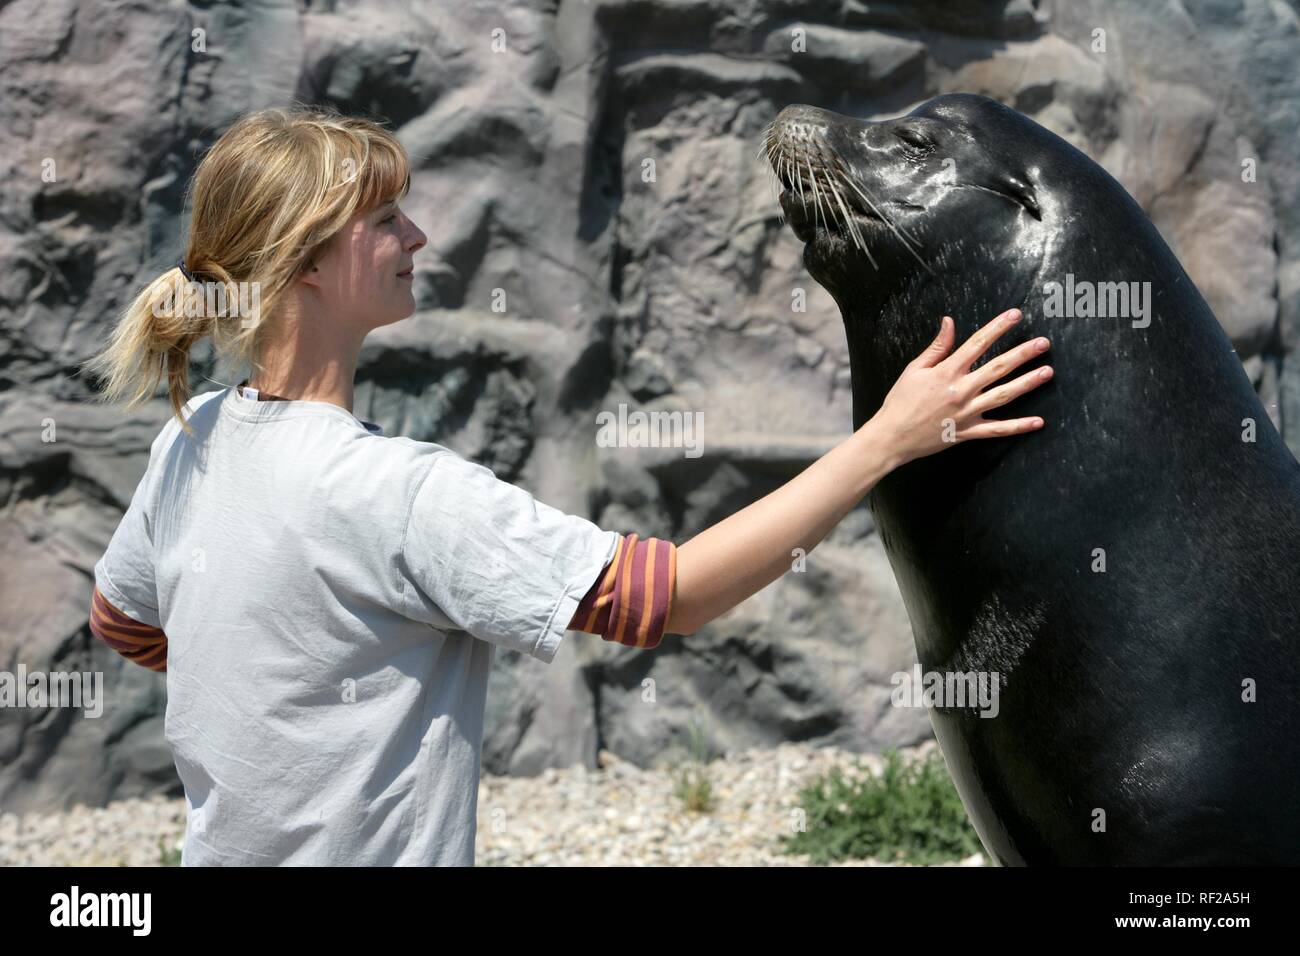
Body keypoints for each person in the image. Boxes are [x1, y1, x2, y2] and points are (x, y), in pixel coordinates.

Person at [81, 105, 1053, 865]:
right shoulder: (395, 491)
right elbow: (666, 597)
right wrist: (885, 441)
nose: (418, 235)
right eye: (384, 220)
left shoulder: (192, 438)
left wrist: (277, 681)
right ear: (304, 263)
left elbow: (121, 619)